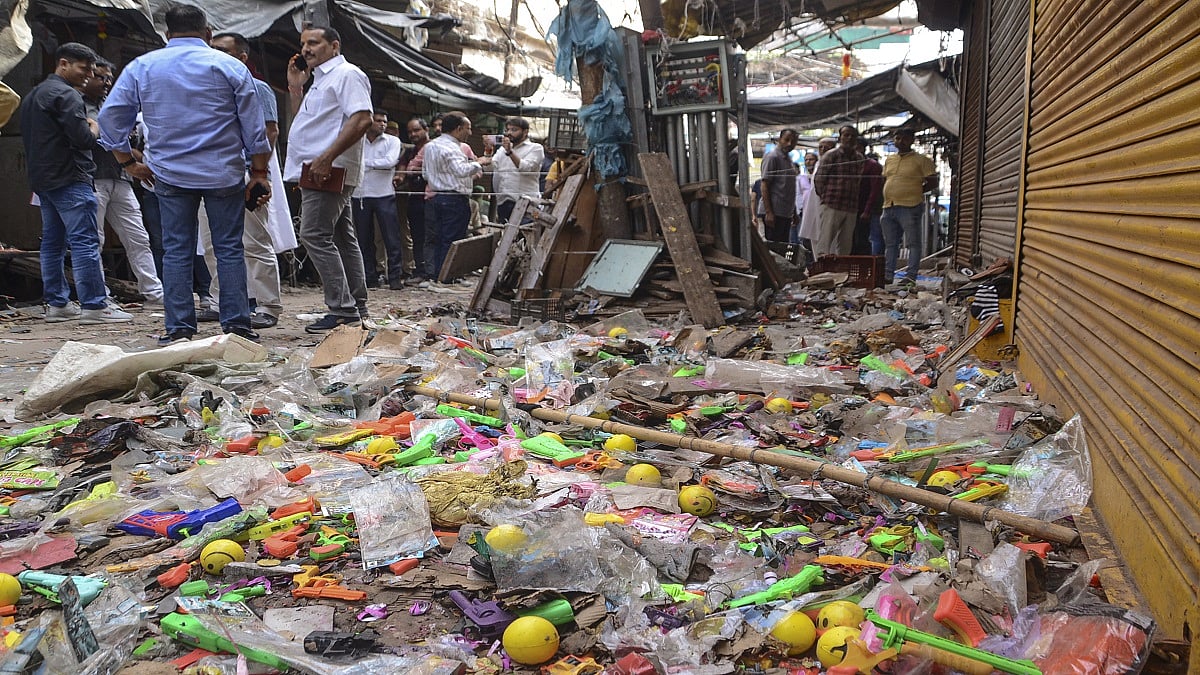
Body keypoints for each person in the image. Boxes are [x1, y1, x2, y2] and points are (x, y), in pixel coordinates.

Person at [99, 5, 271, 345]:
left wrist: (127, 162)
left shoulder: (143, 66)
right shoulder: (230, 66)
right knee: (229, 249)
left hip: (170, 175)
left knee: (176, 250)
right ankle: (236, 325)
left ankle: (178, 328)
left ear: (166, 34)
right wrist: (259, 172)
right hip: (223, 173)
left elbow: (110, 117)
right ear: (207, 32)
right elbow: (255, 128)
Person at [21, 42, 132, 325]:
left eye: (92, 70)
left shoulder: (35, 95)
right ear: (63, 64)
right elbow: (83, 138)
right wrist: (94, 123)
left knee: (53, 243)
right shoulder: (67, 95)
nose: (88, 75)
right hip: (71, 177)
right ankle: (95, 306)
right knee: (85, 242)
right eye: (84, 69)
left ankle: (57, 304)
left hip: (44, 179)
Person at [198, 32, 294, 330]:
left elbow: (270, 132)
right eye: (212, 49)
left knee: (254, 241)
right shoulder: (205, 88)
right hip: (208, 170)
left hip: (244, 171)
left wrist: (257, 174)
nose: (215, 55)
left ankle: (268, 305)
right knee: (212, 241)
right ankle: (219, 300)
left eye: (223, 51)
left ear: (242, 57)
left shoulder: (258, 88)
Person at [283, 26, 373, 333]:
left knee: (314, 234)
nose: (306, 49)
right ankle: (355, 306)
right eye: (303, 44)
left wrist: (326, 157)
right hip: (317, 167)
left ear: (333, 45)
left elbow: (362, 119)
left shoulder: (347, 74)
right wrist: (296, 88)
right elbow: (307, 124)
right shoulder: (320, 80)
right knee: (340, 237)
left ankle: (343, 309)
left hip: (327, 169)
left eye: (314, 43)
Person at [81, 58, 163, 305]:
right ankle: (99, 297)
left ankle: (154, 292)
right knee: (94, 240)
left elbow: (133, 142)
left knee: (138, 237)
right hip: (93, 177)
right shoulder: (78, 105)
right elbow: (88, 138)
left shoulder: (112, 106)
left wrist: (112, 135)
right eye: (100, 77)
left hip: (122, 177)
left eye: (108, 78)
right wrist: (114, 136)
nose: (106, 82)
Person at [421, 111, 487, 280]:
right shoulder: (453, 148)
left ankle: (438, 274)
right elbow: (462, 170)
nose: (470, 133)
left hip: (437, 196)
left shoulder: (430, 146)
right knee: (451, 239)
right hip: (454, 198)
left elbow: (425, 174)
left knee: (439, 238)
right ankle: (446, 277)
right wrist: (479, 162)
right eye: (468, 128)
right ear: (458, 129)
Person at [350, 110, 406, 290]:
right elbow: (352, 161)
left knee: (391, 237)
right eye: (379, 121)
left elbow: (390, 162)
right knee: (364, 238)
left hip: (384, 194)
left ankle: (395, 277)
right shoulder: (357, 140)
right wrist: (373, 164)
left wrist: (365, 163)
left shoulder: (393, 141)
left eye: (385, 121)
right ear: (369, 122)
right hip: (360, 195)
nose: (382, 124)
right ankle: (370, 277)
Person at [880, 128, 937, 285]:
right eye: (897, 138)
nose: (900, 141)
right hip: (889, 205)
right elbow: (885, 179)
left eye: (904, 138)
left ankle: (910, 276)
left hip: (910, 205)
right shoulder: (889, 159)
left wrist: (916, 190)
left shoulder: (921, 160)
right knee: (891, 244)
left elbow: (933, 181)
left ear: (912, 140)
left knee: (913, 243)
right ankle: (887, 275)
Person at [812, 125, 864, 257]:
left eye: (852, 136)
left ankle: (841, 273)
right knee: (825, 243)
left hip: (851, 207)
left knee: (845, 245)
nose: (849, 138)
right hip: (832, 204)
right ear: (840, 137)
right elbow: (819, 180)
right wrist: (825, 198)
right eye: (846, 135)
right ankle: (821, 273)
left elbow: (858, 181)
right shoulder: (831, 155)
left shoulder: (859, 158)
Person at [487, 116, 544, 223]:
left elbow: (526, 168)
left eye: (514, 130)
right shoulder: (502, 150)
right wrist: (488, 151)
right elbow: (489, 168)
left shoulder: (536, 148)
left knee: (524, 234)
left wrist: (510, 152)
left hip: (526, 202)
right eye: (507, 129)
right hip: (504, 201)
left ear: (525, 132)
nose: (509, 133)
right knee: (504, 235)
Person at [395, 117, 429, 281]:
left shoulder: (435, 148)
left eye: (416, 130)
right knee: (417, 236)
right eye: (409, 132)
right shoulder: (409, 152)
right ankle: (420, 271)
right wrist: (399, 178)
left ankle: (435, 272)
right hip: (415, 199)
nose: (413, 134)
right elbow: (402, 171)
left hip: (433, 197)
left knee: (434, 235)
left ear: (426, 130)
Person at [758, 129, 798, 242]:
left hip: (786, 213)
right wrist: (769, 212)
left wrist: (793, 212)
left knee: (783, 247)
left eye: (793, 141)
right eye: (786, 140)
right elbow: (764, 185)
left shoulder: (789, 159)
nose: (789, 144)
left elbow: (788, 189)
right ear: (780, 139)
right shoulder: (772, 157)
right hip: (775, 213)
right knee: (774, 249)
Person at [855, 137, 883, 256]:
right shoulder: (849, 164)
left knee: (873, 238)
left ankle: (874, 265)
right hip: (854, 209)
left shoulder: (872, 165)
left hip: (871, 209)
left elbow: (875, 190)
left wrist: (867, 210)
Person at [791, 151, 817, 245]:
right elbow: (796, 194)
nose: (808, 162)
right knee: (802, 238)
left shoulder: (820, 176)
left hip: (817, 210)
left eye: (811, 159)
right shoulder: (801, 178)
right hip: (803, 211)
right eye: (806, 160)